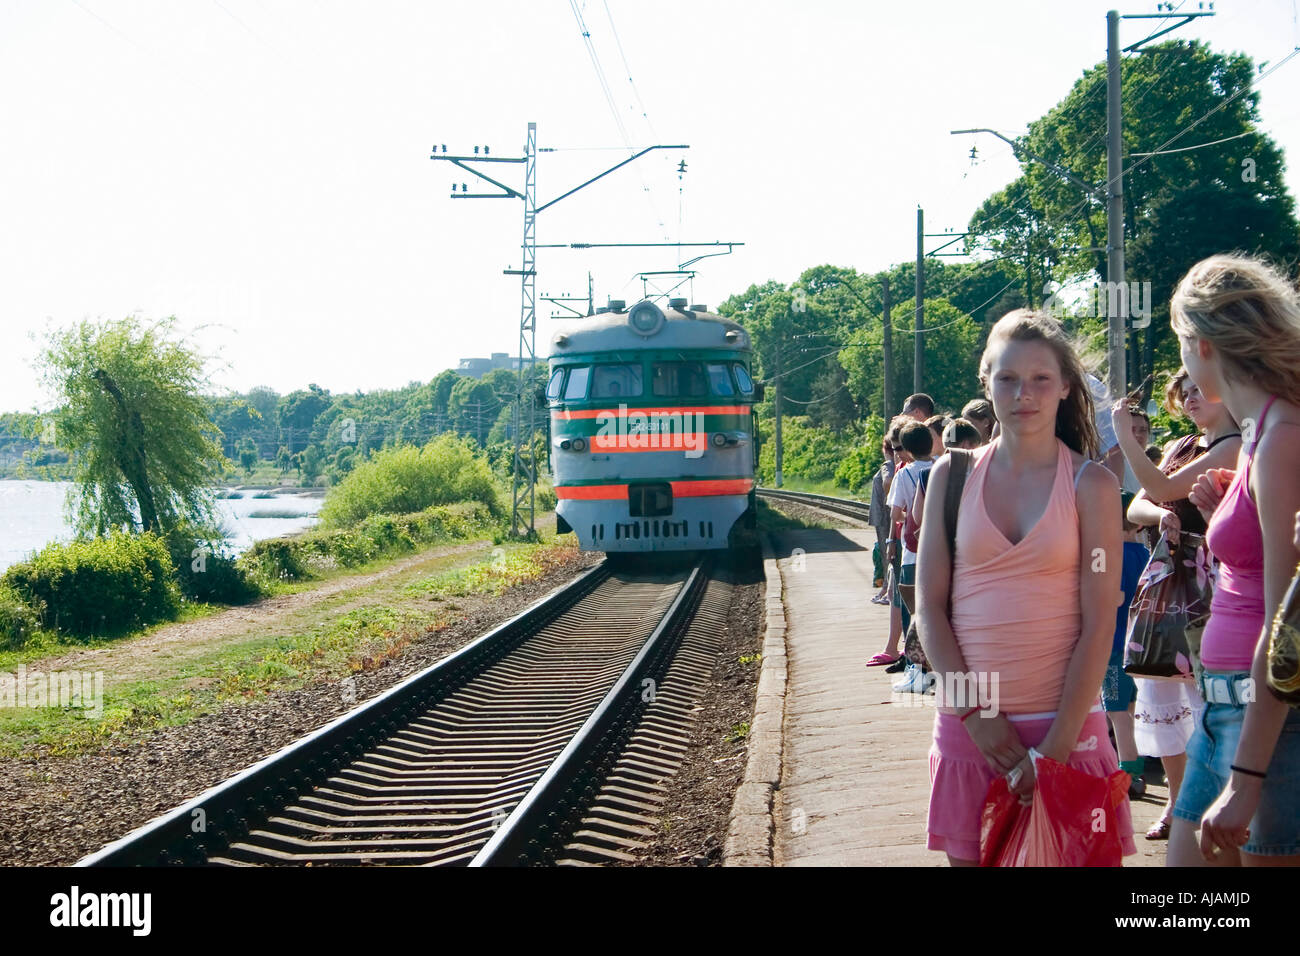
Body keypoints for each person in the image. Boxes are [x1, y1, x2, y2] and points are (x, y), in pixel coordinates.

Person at [917, 308, 1133, 865]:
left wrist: (1053, 754)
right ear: (986, 382)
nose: (1024, 394)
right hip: (972, 734)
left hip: (1069, 735)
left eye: (1041, 379)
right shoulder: (951, 475)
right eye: (1008, 378)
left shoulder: (1094, 486)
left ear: (1065, 386)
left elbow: (1098, 624)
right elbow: (928, 610)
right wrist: (979, 720)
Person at [1157, 255, 1300, 867]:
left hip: (1265, 722)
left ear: (1202, 343)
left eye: (1182, 346)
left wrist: (1246, 781)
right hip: (1223, 709)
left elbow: (1287, 620)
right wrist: (1223, 515)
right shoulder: (1258, 431)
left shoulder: (1280, 437)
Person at [1112, 368, 1241, 840]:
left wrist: (1126, 441)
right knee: (1162, 689)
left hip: (1216, 583)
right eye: (1183, 394)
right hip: (1170, 582)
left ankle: (1211, 801)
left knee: (1206, 694)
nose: (1189, 399)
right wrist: (1161, 514)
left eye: (1198, 390)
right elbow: (1139, 505)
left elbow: (1163, 487)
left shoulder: (1231, 446)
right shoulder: (1183, 446)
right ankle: (1179, 802)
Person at [867, 420, 936, 668]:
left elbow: (895, 514)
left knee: (912, 610)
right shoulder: (941, 467)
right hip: (940, 551)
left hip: (912, 551)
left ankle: (913, 665)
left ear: (906, 449)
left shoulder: (904, 473)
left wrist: (909, 519)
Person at [869, 437, 898, 604]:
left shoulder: (887, 465)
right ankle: (886, 588)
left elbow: (887, 481)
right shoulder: (897, 465)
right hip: (888, 516)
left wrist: (890, 500)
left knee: (886, 555)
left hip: (884, 517)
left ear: (885, 449)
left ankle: (887, 589)